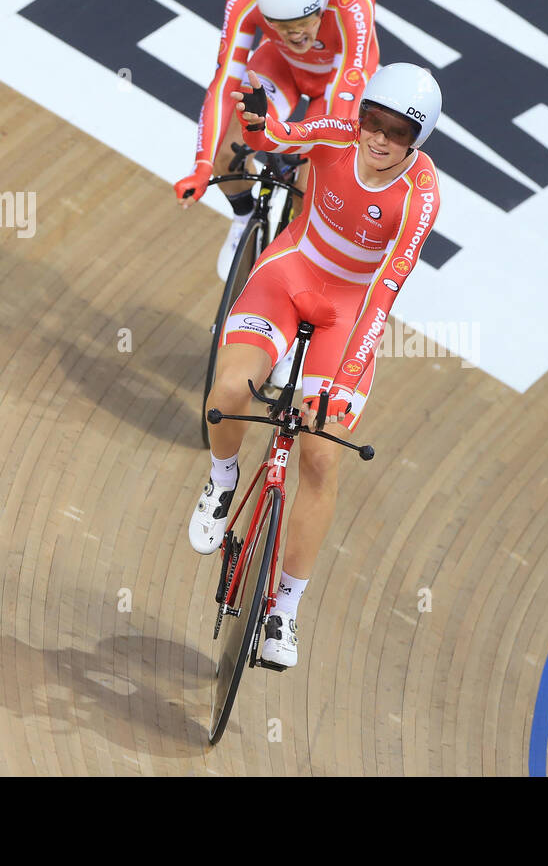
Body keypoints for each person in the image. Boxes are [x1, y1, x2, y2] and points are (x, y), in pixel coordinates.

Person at [188, 62, 443, 668]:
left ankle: (285, 608)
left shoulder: (420, 197)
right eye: (372, 122)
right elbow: (277, 134)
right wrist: (255, 122)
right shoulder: (337, 132)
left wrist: (341, 384)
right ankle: (223, 482)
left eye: (398, 132)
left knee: (323, 454)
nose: (378, 139)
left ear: (419, 139)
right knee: (227, 392)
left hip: (348, 314)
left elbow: (381, 299)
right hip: (291, 273)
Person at [174, 0, 380, 283]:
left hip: (339, 81)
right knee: (228, 154)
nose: (296, 34)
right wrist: (202, 165)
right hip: (282, 66)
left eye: (304, 22)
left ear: (320, 8)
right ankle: (244, 219)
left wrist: (299, 145)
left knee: (312, 182)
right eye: (282, 26)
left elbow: (342, 105)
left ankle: (300, 266)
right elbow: (225, 82)